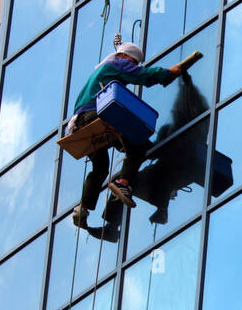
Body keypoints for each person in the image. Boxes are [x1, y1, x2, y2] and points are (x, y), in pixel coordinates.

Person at [66, 41, 182, 233]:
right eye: (133, 61)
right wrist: (167, 74)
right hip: (96, 116)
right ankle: (123, 183)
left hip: (81, 125)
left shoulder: (99, 72)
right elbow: (141, 75)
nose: (134, 65)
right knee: (136, 146)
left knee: (101, 168)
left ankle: (83, 208)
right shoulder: (116, 64)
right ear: (124, 56)